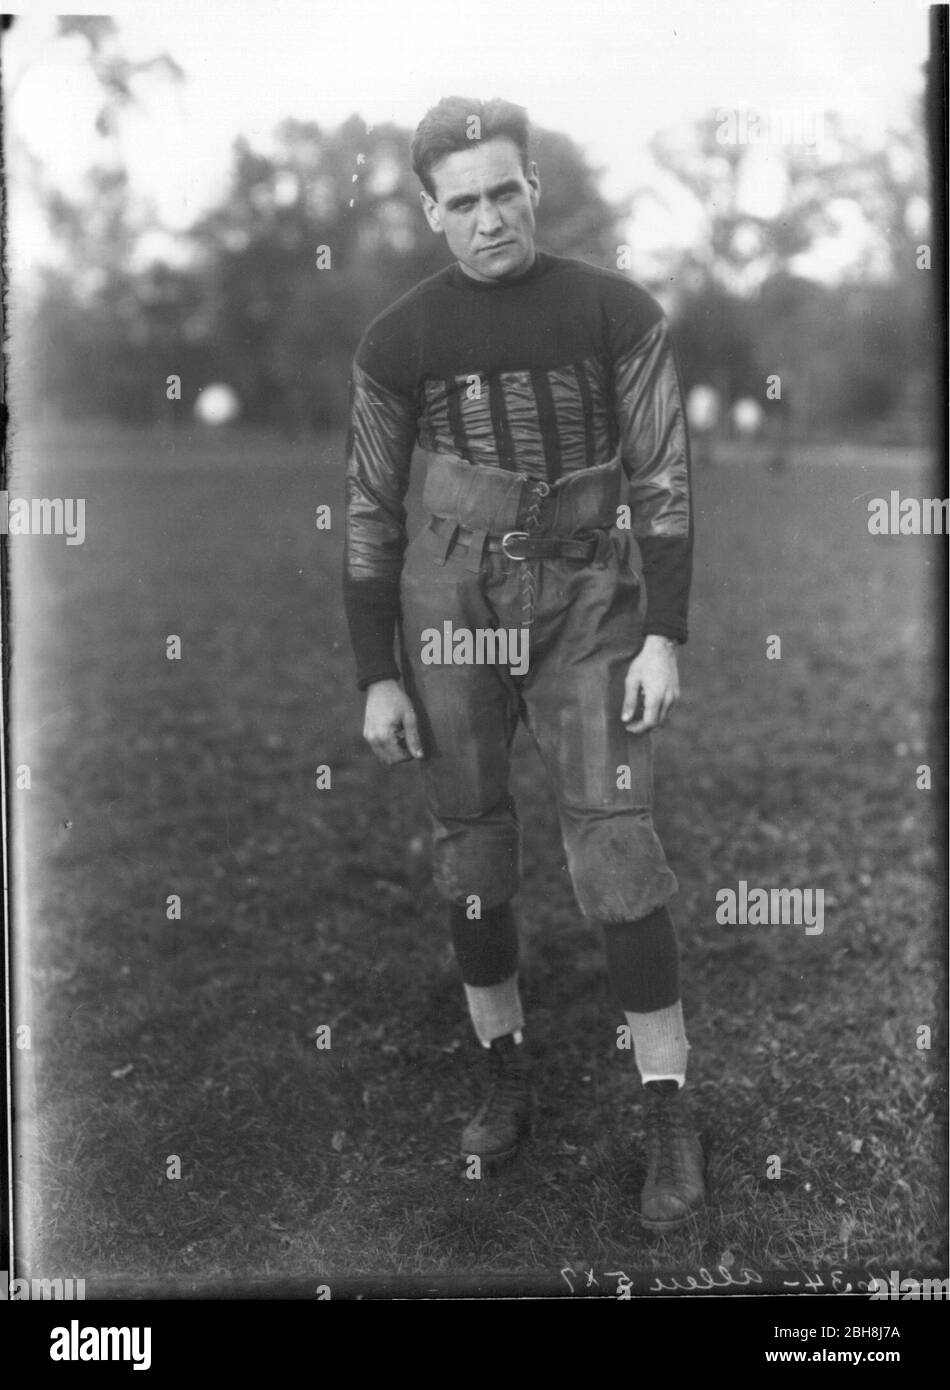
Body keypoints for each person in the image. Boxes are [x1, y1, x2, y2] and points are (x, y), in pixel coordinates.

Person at [342, 96, 704, 1229]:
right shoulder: (397, 337)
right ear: (428, 212)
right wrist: (376, 671)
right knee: (472, 836)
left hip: (585, 591)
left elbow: (662, 477)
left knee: (614, 835)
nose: (489, 218)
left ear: (533, 186)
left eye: (506, 191)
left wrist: (663, 631)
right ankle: (504, 1069)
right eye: (464, 202)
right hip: (449, 594)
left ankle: (665, 1106)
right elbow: (366, 506)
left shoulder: (615, 307)